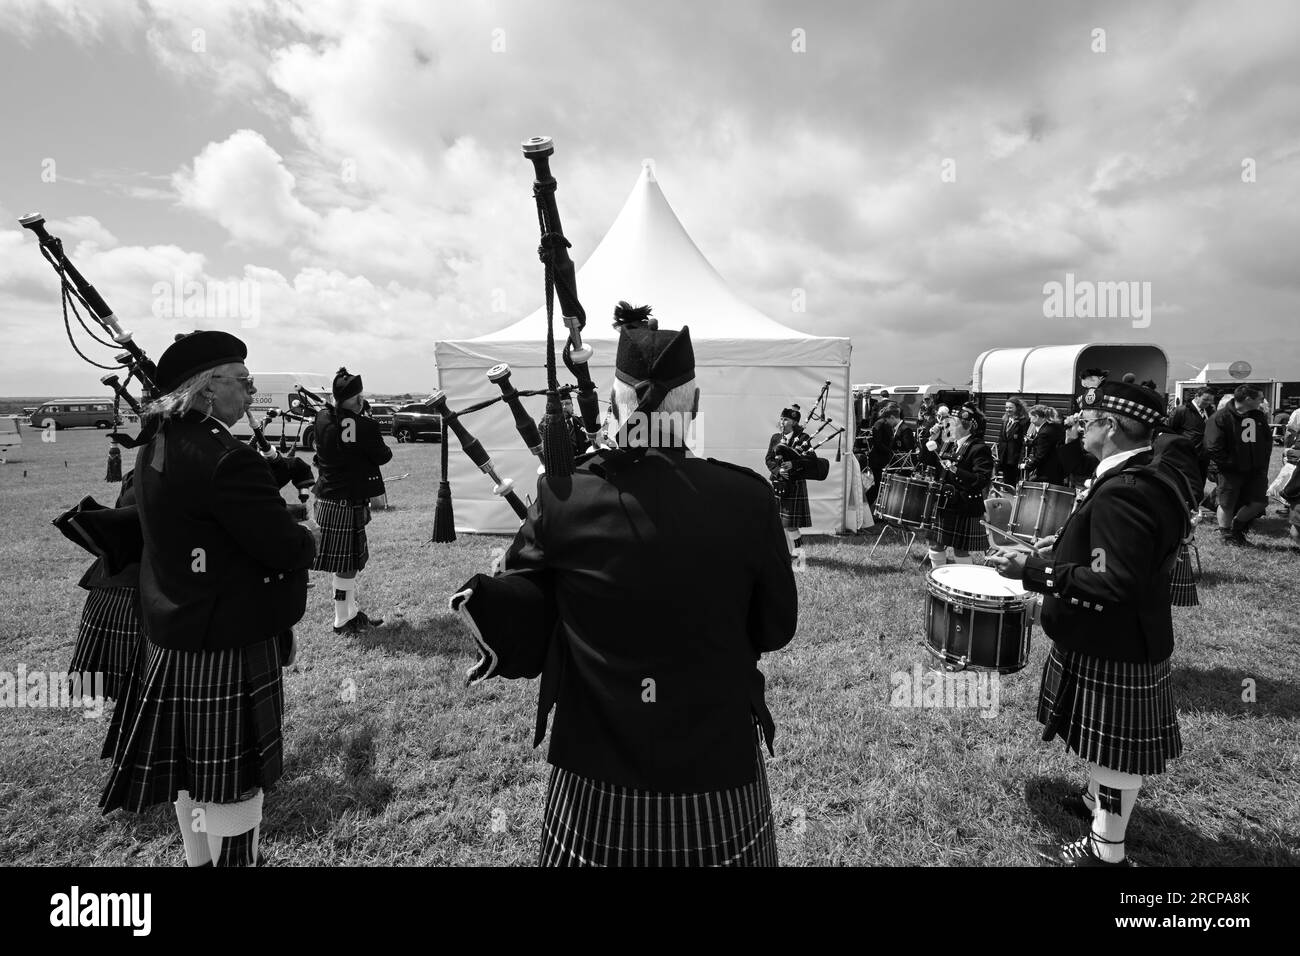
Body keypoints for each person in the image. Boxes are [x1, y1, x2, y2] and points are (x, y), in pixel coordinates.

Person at [452, 324, 798, 866]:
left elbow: (531, 607)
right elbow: (776, 628)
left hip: (595, 775)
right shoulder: (748, 500)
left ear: (616, 404)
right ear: (695, 406)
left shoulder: (565, 496)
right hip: (718, 769)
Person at [99, 331, 317, 866]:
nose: (249, 392)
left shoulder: (158, 444)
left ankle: (199, 863)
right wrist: (303, 533)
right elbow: (282, 547)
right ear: (206, 388)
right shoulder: (226, 457)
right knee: (234, 779)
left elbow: (201, 525)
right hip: (228, 635)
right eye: (241, 381)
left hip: (172, 628)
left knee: (190, 774)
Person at [989, 381, 1186, 867]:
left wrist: (1033, 573)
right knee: (1105, 748)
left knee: (1116, 755)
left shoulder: (1128, 491)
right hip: (1113, 636)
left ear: (1111, 426)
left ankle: (1106, 850)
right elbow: (1104, 548)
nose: (1078, 428)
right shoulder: (1134, 475)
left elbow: (1115, 581)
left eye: (1087, 420)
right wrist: (1052, 548)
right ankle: (1096, 803)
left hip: (1114, 641)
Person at [311, 367, 393, 631]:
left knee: (346, 564)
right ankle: (342, 619)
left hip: (327, 498)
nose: (360, 400)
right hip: (346, 501)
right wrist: (364, 420)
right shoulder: (365, 425)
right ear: (353, 399)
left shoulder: (322, 418)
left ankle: (348, 613)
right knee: (347, 564)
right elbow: (383, 456)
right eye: (356, 396)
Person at [924, 403, 994, 566]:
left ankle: (964, 584)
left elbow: (981, 480)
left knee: (960, 550)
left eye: (951, 423)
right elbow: (926, 462)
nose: (946, 426)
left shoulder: (979, 448)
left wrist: (956, 470)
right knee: (935, 544)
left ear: (967, 427)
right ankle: (937, 578)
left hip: (964, 504)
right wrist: (930, 441)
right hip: (943, 502)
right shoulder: (948, 443)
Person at [1204, 384, 1271, 546]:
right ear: (1248, 399)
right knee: (1227, 503)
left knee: (1259, 502)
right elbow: (1212, 446)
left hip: (1255, 471)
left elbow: (1267, 441)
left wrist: (1261, 463)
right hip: (1230, 471)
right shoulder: (1221, 417)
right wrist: (1229, 464)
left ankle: (1237, 528)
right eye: (1260, 398)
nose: (1262, 402)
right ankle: (1226, 535)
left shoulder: (1258, 416)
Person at [766, 404, 813, 556]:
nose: (782, 422)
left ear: (794, 422)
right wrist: (778, 470)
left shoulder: (803, 439)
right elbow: (769, 459)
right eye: (781, 419)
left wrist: (793, 464)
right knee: (777, 523)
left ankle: (798, 554)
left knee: (790, 525)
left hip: (794, 485)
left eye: (785, 419)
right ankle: (783, 552)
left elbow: (811, 460)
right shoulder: (776, 438)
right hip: (777, 483)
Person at [1167, 388, 1215, 494]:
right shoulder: (1182, 410)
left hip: (1204, 455)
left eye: (1210, 400)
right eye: (1205, 399)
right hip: (1186, 455)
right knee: (1187, 485)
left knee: (1200, 485)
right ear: (1196, 396)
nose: (1208, 403)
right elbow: (1170, 430)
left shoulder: (1210, 411)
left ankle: (1195, 507)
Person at [1021, 405, 1066, 484]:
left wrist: (1026, 466)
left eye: (1031, 417)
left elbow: (1040, 455)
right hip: (1058, 470)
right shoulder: (1053, 427)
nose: (1030, 421)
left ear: (1037, 417)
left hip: (1047, 472)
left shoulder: (1044, 433)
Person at [866, 402, 901, 504]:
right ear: (890, 417)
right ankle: (867, 508)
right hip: (877, 460)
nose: (893, 423)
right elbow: (878, 443)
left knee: (878, 487)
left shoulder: (882, 423)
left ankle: (869, 508)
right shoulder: (880, 424)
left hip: (880, 459)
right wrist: (890, 451)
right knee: (876, 487)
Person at [997, 398, 1031, 487]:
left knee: (1013, 482)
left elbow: (1024, 442)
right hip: (1004, 457)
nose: (1008, 410)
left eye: (1010, 408)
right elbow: (1001, 438)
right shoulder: (1005, 420)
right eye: (1006, 408)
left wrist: (1021, 459)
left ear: (1017, 408)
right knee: (1006, 482)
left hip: (1015, 458)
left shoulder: (1024, 422)